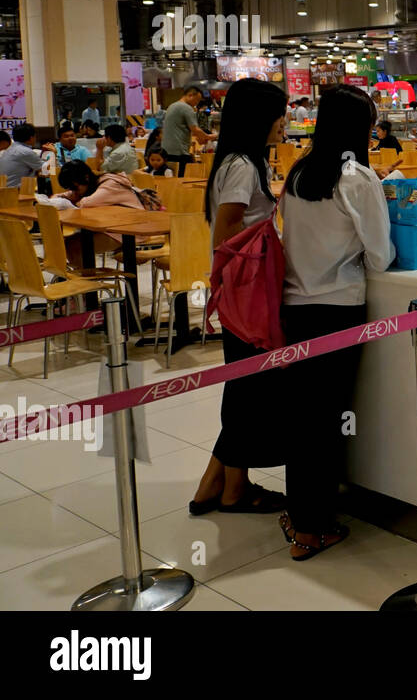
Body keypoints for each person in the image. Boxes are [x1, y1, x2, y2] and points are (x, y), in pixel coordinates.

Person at [278, 84, 393, 559]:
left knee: (303, 417)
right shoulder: (358, 178)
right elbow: (381, 256)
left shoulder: (300, 172)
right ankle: (313, 528)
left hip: (294, 308)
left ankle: (300, 513)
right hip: (338, 310)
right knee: (328, 420)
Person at [190, 78, 289, 518]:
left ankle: (217, 484)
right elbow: (228, 229)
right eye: (279, 115)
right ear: (259, 119)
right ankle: (232, 490)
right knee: (250, 387)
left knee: (243, 384)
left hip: (239, 290)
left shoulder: (236, 161)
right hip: (246, 290)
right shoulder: (244, 166)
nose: (284, 123)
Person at [162, 85, 216, 174]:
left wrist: (200, 138)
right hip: (179, 152)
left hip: (166, 152)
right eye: (197, 100)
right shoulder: (186, 108)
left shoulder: (171, 106)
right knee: (183, 178)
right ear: (190, 95)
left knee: (171, 178)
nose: (197, 103)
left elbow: (182, 128)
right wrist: (210, 137)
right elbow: (195, 129)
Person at [55, 160, 143, 210]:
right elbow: (60, 196)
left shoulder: (111, 184)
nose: (74, 192)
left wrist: (67, 203)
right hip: (117, 225)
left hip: (135, 228)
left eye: (75, 188)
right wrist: (59, 199)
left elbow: (86, 204)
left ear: (86, 178)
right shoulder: (92, 184)